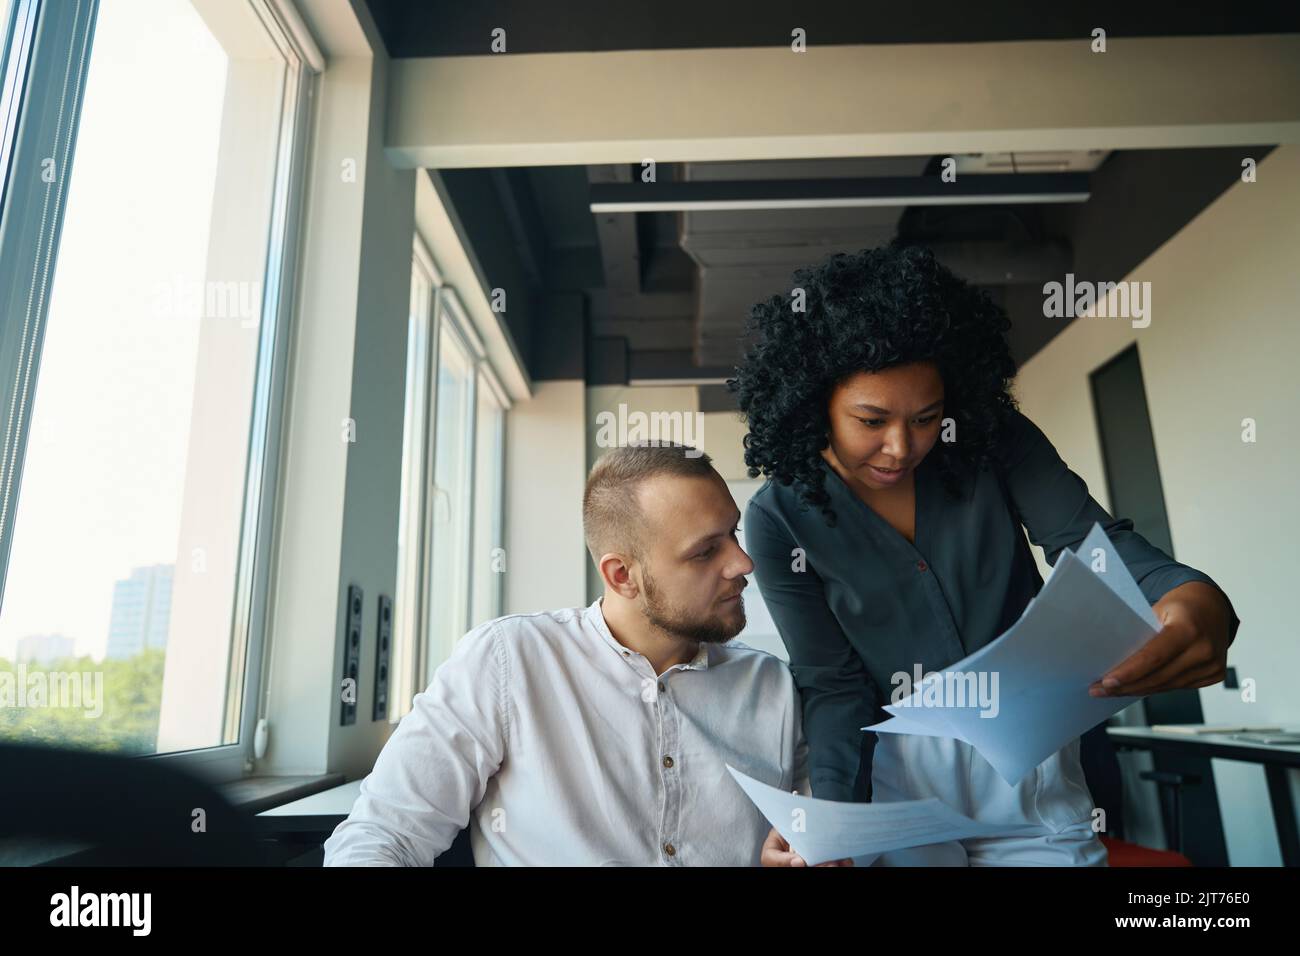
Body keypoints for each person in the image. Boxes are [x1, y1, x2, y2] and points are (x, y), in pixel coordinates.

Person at [730, 242, 1240, 866]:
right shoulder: (779, 518)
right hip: (898, 786)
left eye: (926, 418)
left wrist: (1188, 592)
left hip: (1033, 769)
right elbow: (832, 684)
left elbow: (1089, 542)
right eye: (870, 420)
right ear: (817, 407)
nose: (900, 447)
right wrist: (828, 818)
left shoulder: (993, 443)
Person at [323, 443, 845, 866]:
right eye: (706, 551)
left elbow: (812, 833)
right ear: (622, 576)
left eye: (732, 533)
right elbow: (384, 834)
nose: (743, 562)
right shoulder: (509, 662)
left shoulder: (772, 686)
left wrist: (810, 849)